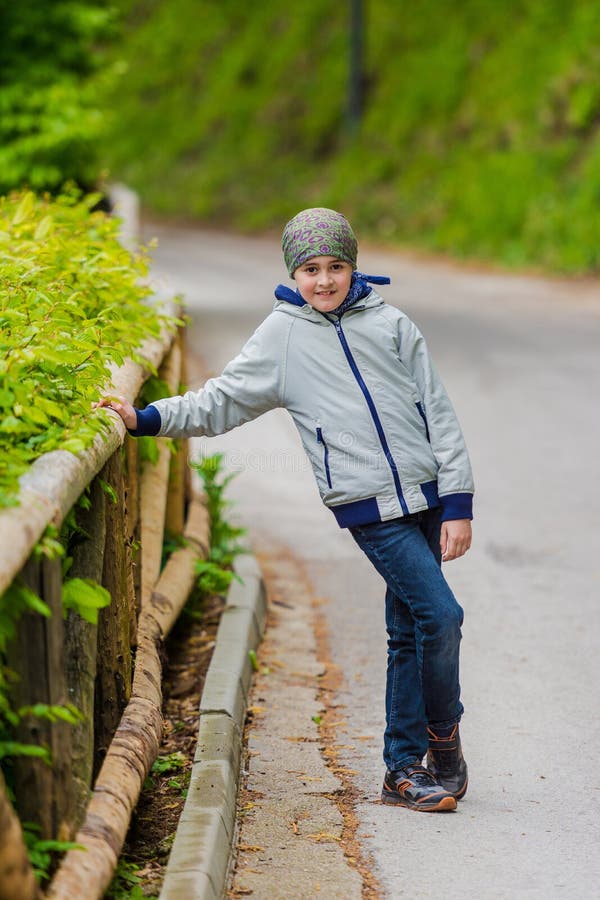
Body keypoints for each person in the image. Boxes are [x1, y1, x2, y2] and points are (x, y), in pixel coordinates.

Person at [97, 207, 474, 813]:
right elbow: (221, 400)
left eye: (336, 266)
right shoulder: (283, 337)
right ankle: (441, 738)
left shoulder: (394, 326)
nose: (324, 280)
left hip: (428, 498)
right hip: (368, 507)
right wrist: (145, 418)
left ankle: (402, 770)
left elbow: (439, 413)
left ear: (355, 267)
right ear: (292, 273)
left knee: (408, 631)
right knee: (442, 616)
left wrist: (458, 501)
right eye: (310, 269)